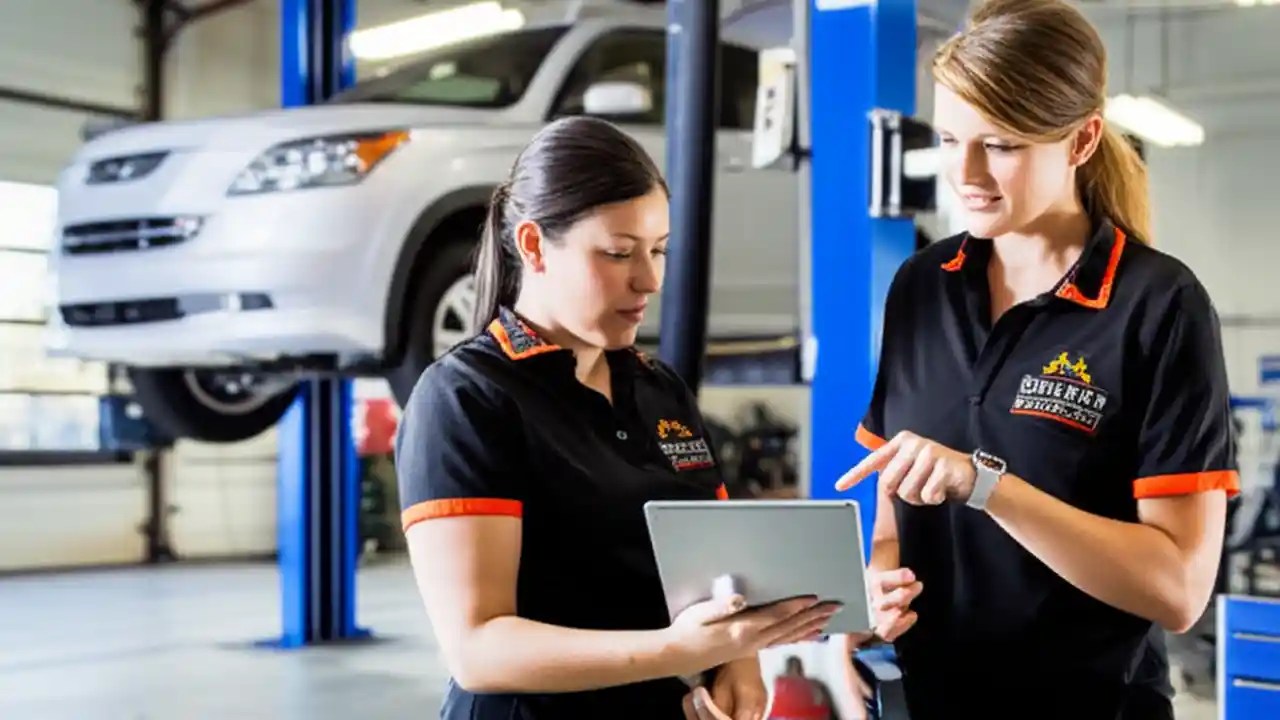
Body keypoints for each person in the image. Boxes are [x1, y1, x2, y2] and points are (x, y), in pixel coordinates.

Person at [833, 1, 1239, 718]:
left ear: (1081, 141)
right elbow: (896, 524)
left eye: (1001, 145)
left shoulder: (1156, 305)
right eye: (950, 137)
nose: (965, 174)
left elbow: (1177, 589)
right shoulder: (920, 288)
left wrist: (985, 484)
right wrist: (875, 591)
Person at [394, 115, 848, 720]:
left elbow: (720, 566)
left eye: (659, 251)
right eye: (618, 253)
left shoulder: (660, 392)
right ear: (533, 246)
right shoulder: (467, 399)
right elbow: (478, 650)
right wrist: (673, 650)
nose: (650, 279)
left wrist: (736, 662)